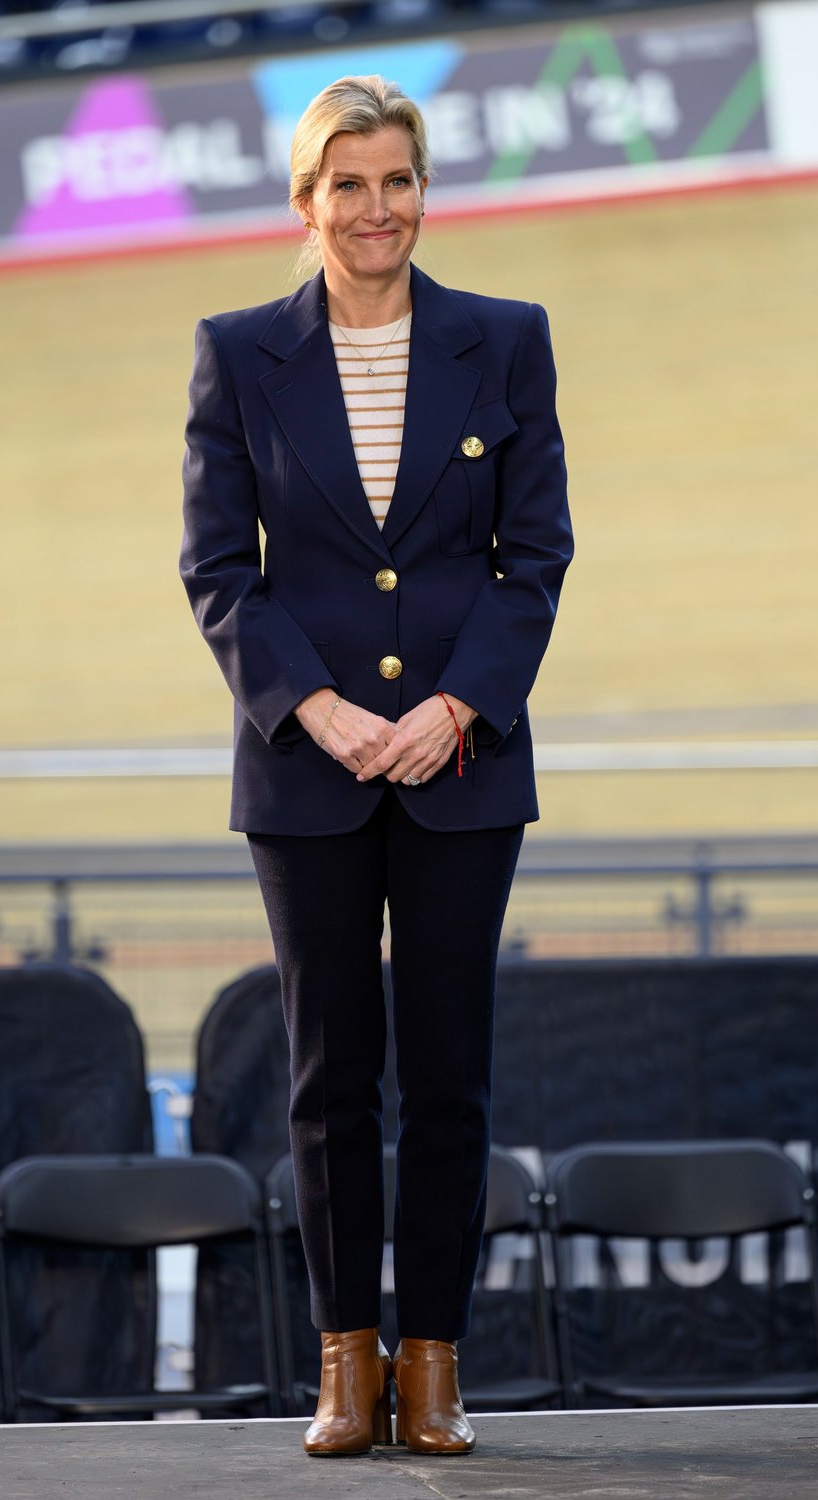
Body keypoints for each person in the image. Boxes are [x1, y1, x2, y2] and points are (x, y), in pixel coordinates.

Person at [180, 74, 573, 1456]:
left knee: (452, 1074)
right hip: (310, 773)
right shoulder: (238, 354)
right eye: (347, 184)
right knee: (330, 1076)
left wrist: (460, 707)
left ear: (424, 191)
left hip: (463, 769)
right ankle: (347, 1368)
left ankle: (434, 1366)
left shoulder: (505, 341)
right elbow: (220, 572)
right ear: (306, 201)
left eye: (396, 180)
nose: (375, 208)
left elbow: (538, 560)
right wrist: (324, 713)